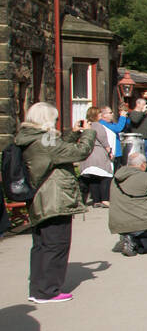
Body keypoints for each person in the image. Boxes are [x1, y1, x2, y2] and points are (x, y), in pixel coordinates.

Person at [15, 102, 97, 303]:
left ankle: (38, 288)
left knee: (41, 245)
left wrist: (72, 133)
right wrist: (88, 133)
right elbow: (78, 152)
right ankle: (49, 290)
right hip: (54, 197)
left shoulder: (31, 138)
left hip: (40, 197)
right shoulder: (45, 140)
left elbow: (59, 152)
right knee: (56, 244)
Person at [78, 108, 119, 208]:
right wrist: (109, 151)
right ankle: (105, 200)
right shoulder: (97, 126)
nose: (101, 114)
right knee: (106, 176)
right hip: (98, 153)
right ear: (95, 115)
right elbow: (103, 140)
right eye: (99, 113)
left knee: (93, 178)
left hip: (87, 154)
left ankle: (96, 201)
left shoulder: (85, 125)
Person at [125, 97, 147, 164]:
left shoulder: (145, 114)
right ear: (138, 104)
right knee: (140, 159)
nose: (144, 106)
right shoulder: (133, 113)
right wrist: (142, 112)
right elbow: (136, 120)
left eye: (145, 104)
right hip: (139, 139)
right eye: (143, 104)